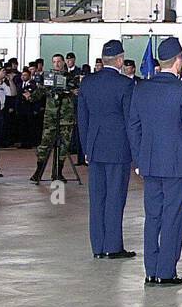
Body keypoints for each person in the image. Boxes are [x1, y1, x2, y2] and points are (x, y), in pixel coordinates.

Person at [127, 36, 182, 286]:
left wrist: (138, 158)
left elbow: (133, 126)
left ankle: (150, 270)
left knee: (153, 216)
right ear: (178, 61)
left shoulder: (141, 88)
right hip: (177, 164)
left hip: (149, 163)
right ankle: (166, 272)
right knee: (173, 216)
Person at [78, 40, 137, 260]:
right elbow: (131, 120)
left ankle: (98, 246)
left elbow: (82, 119)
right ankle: (113, 246)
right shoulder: (126, 84)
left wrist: (85, 147)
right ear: (120, 60)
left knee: (97, 198)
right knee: (115, 197)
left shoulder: (88, 83)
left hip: (94, 147)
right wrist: (135, 152)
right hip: (118, 149)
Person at [29, 54, 77, 183]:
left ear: (63, 63)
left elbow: (75, 90)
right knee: (45, 144)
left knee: (63, 145)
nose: (56, 64)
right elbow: (38, 93)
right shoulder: (47, 78)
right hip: (51, 116)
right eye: (54, 62)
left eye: (59, 61)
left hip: (66, 117)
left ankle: (58, 173)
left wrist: (70, 91)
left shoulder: (71, 77)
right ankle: (38, 172)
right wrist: (30, 96)